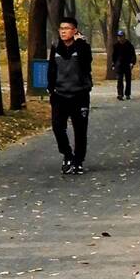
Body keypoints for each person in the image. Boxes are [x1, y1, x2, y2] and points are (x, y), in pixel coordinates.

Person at [47, 15, 92, 175]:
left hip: (79, 95)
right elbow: (52, 68)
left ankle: (78, 161)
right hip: (60, 95)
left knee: (80, 130)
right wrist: (51, 89)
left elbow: (86, 65)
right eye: (61, 29)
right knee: (58, 127)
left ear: (75, 31)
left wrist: (80, 43)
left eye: (67, 29)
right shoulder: (56, 47)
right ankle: (67, 155)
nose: (63, 32)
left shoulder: (83, 47)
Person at [111, 28, 136, 101]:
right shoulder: (116, 45)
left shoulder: (129, 45)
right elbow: (114, 56)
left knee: (128, 79)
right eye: (119, 37)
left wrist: (132, 62)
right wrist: (113, 64)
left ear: (124, 36)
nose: (120, 38)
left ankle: (127, 94)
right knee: (119, 79)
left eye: (121, 36)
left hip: (127, 64)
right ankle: (120, 94)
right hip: (119, 65)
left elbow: (133, 55)